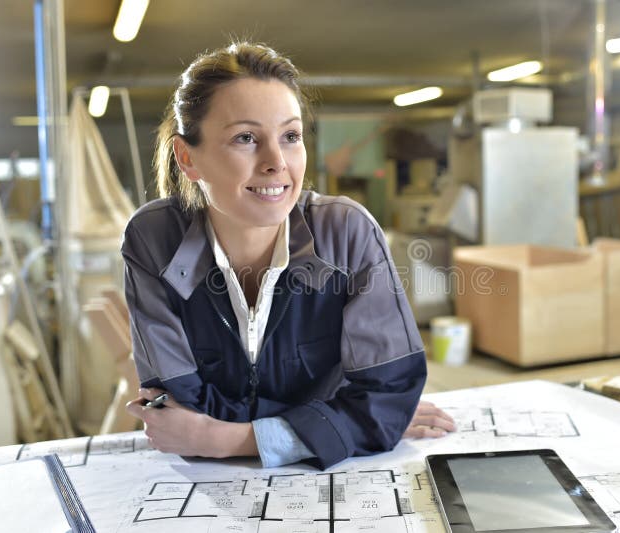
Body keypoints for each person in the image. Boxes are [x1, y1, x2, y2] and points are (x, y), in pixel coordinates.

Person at [123, 42, 454, 469]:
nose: (276, 162)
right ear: (187, 158)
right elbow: (178, 410)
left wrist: (226, 439)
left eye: (290, 136)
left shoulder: (347, 232)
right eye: (246, 138)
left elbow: (387, 399)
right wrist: (336, 424)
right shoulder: (153, 241)